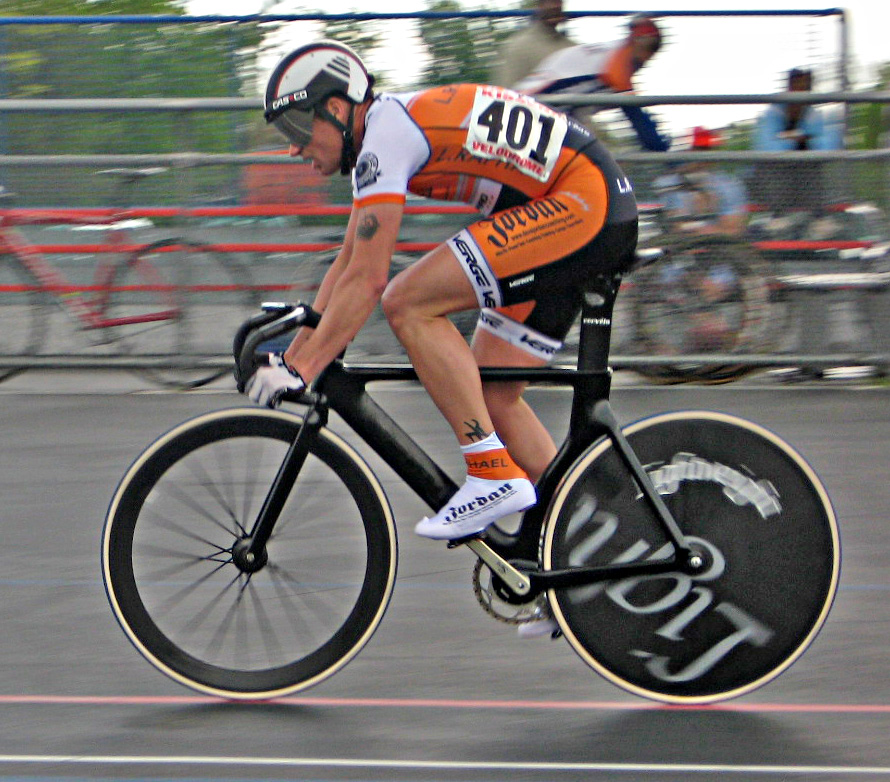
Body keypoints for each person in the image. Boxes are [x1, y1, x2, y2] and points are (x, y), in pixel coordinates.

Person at [250, 40, 638, 550]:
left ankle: (489, 469)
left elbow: (368, 279)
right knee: (492, 397)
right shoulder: (384, 133)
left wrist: (302, 367)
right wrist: (295, 357)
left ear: (338, 109)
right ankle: (574, 564)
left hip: (583, 203)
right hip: (576, 202)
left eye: (300, 129)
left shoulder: (385, 139)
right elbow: (346, 263)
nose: (296, 148)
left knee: (407, 301)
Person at [512, 14, 670, 152]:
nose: (647, 55)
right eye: (649, 46)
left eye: (653, 48)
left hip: (536, 110)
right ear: (635, 41)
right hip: (526, 111)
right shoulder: (619, 60)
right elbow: (636, 116)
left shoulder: (614, 52)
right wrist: (661, 147)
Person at [752, 67, 843, 214]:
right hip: (774, 178)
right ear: (789, 88)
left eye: (806, 88)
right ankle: (780, 218)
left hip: (804, 178)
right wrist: (800, 138)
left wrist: (790, 136)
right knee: (778, 166)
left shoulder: (813, 114)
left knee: (811, 167)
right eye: (797, 87)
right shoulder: (771, 114)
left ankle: (817, 219)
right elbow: (768, 149)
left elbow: (827, 147)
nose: (801, 92)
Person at [655, 126, 748, 236]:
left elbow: (734, 229)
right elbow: (680, 229)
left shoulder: (729, 185)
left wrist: (707, 231)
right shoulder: (666, 183)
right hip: (681, 248)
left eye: (709, 149)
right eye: (698, 149)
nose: (704, 156)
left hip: (721, 246)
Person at [492, 0, 575, 90]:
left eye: (557, 1)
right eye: (548, 2)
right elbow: (507, 92)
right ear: (539, 6)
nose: (554, 6)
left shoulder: (571, 47)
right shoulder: (519, 47)